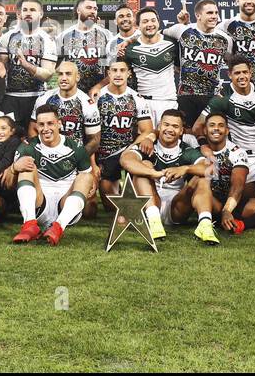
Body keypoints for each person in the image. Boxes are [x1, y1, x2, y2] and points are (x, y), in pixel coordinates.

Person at [120, 109, 216, 242]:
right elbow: (125, 160)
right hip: (152, 200)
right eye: (166, 125)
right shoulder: (147, 145)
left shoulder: (187, 150)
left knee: (202, 178)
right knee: (145, 166)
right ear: (159, 126)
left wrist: (186, 169)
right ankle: (154, 222)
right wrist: (154, 173)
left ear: (182, 131)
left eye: (175, 126)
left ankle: (205, 225)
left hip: (176, 207)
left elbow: (211, 168)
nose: (170, 129)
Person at [9, 105, 94, 246]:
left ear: (59, 123)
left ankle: (58, 227)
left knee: (86, 176)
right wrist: (13, 168)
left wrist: (90, 186)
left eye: (50, 123)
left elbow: (89, 180)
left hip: (66, 205)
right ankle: (30, 224)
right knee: (26, 167)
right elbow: (8, 183)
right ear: (36, 126)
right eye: (41, 124)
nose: (46, 128)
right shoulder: (27, 146)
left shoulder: (76, 147)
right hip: (40, 204)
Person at [195, 55, 255, 190]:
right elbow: (197, 126)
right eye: (237, 73)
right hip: (239, 154)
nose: (241, 76)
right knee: (247, 198)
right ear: (229, 75)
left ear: (251, 73)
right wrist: (204, 145)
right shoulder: (222, 98)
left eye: (245, 72)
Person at [163, 0, 231, 127]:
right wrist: (127, 41)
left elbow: (233, 64)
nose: (215, 16)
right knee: (186, 135)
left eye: (216, 13)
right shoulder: (182, 30)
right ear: (198, 15)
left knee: (210, 135)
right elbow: (158, 35)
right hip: (186, 95)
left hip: (212, 97)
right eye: (210, 13)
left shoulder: (225, 39)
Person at [93, 60, 154, 197]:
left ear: (129, 74)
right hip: (105, 154)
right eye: (114, 70)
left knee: (138, 198)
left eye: (122, 70)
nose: (118, 74)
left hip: (128, 150)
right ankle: (117, 187)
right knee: (110, 204)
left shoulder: (137, 99)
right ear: (108, 73)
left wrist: (131, 148)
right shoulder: (98, 97)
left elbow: (147, 130)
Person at [0, 0, 57, 128]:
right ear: (19, 13)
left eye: (32, 10)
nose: (28, 13)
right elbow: (0, 63)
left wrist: (26, 65)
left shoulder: (47, 40)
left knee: (34, 138)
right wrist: (0, 67)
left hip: (37, 97)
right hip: (10, 97)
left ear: (41, 14)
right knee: (9, 139)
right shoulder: (8, 37)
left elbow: (48, 75)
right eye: (25, 10)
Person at [117, 8, 179, 127]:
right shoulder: (129, 49)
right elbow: (120, 74)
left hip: (169, 102)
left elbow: (179, 68)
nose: (150, 24)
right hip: (143, 103)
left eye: (153, 20)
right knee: (145, 142)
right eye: (145, 21)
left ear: (158, 22)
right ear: (138, 26)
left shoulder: (171, 43)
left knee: (168, 142)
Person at [29, 60, 100, 152]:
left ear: (77, 77)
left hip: (74, 154)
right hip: (46, 153)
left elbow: (94, 140)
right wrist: (39, 153)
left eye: (68, 74)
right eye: (60, 74)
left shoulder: (87, 105)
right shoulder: (44, 99)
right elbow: (33, 129)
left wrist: (79, 158)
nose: (63, 78)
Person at [56, 0, 114, 95]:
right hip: (73, 94)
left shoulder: (106, 35)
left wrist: (98, 86)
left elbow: (113, 68)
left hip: (100, 93)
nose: (93, 11)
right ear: (78, 10)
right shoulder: (64, 36)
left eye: (95, 9)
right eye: (88, 8)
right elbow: (56, 66)